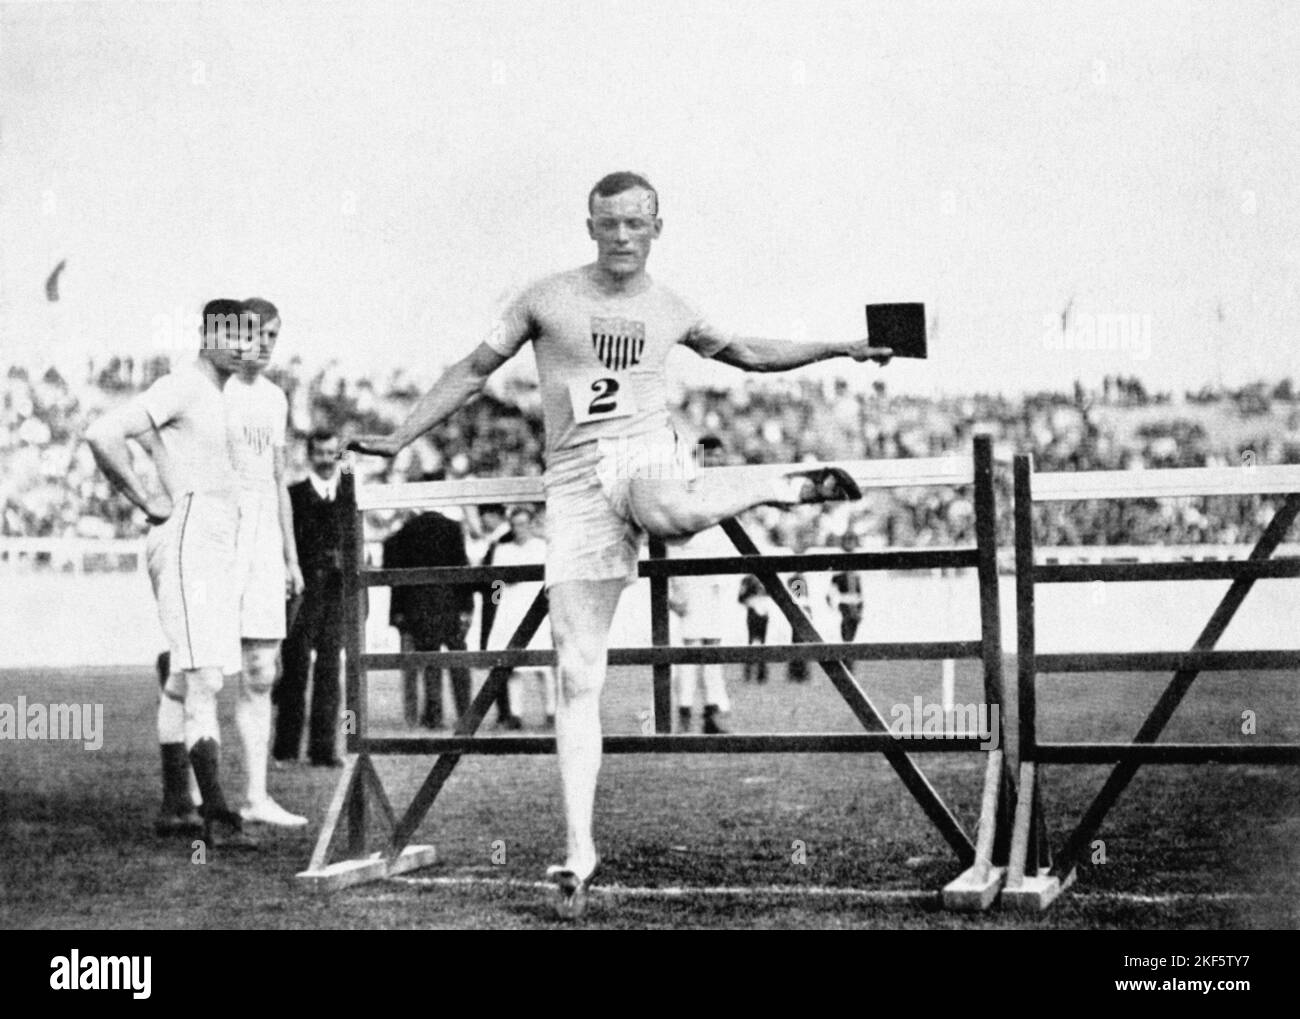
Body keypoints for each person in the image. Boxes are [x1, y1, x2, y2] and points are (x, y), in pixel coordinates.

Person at [349, 171, 891, 916]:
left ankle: (781, 483)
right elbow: (475, 371)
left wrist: (845, 347)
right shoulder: (545, 298)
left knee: (665, 506)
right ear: (591, 225)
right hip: (572, 487)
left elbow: (749, 352)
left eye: (637, 223)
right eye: (610, 223)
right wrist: (401, 435)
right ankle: (578, 850)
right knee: (577, 672)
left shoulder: (671, 306)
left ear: (657, 226)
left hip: (644, 456)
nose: (623, 236)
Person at [85, 298, 256, 849]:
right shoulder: (183, 385)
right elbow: (102, 433)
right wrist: (146, 501)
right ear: (206, 336)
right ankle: (218, 817)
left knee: (186, 677)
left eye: (250, 335)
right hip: (187, 535)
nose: (244, 344)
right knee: (204, 675)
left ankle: (176, 805)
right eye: (232, 333)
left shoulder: (219, 397)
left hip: (209, 539)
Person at [223, 297, 308, 826]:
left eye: (273, 335)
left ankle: (256, 798)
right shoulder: (215, 391)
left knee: (261, 669)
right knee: (201, 670)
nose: (264, 344)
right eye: (254, 334)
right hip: (216, 529)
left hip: (261, 540)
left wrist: (290, 559)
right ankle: (194, 799)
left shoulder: (276, 400)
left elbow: (278, 482)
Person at [275, 429, 346, 767]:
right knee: (295, 671)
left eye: (332, 452)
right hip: (303, 594)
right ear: (310, 456)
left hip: (336, 597)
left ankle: (323, 750)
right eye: (320, 453)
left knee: (331, 673)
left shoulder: (350, 497)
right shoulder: (293, 495)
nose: (326, 459)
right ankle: (287, 750)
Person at [383, 496, 475, 729]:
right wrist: (467, 607)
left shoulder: (403, 533)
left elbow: (393, 577)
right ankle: (466, 714)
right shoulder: (453, 528)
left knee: (429, 661)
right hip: (450, 604)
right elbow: (462, 571)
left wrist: (398, 613)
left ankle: (433, 715)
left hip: (417, 606)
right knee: (458, 660)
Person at [667, 436, 732, 733]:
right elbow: (673, 541)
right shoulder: (685, 488)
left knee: (714, 648)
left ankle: (712, 712)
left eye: (721, 456)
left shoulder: (725, 490)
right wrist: (674, 589)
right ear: (698, 457)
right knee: (691, 649)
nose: (717, 461)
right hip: (689, 578)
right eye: (711, 456)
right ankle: (683, 712)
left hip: (715, 581)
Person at [486, 505, 555, 727]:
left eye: (524, 524)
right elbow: (494, 585)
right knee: (512, 666)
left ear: (532, 525)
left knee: (543, 666)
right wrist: (497, 601)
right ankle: (515, 714)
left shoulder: (543, 547)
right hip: (510, 612)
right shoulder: (502, 550)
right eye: (515, 525)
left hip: (537, 611)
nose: (519, 529)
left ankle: (551, 712)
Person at [477, 503, 522, 729]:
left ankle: (506, 712)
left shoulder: (503, 540)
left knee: (499, 657)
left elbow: (496, 580)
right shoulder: (499, 539)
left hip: (499, 606)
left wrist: (492, 601)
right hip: (496, 604)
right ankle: (505, 711)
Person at [828, 532, 865, 647]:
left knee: (852, 632)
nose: (850, 544)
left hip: (856, 601)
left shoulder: (858, 563)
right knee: (847, 632)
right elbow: (833, 585)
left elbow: (859, 587)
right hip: (845, 602)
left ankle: (848, 660)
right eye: (847, 541)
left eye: (852, 541)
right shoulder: (839, 563)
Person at [738, 574, 771, 684]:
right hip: (753, 614)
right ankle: (748, 673)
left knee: (762, 644)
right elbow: (741, 597)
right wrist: (752, 602)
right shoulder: (748, 580)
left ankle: (761, 674)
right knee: (752, 643)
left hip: (763, 614)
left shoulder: (765, 578)